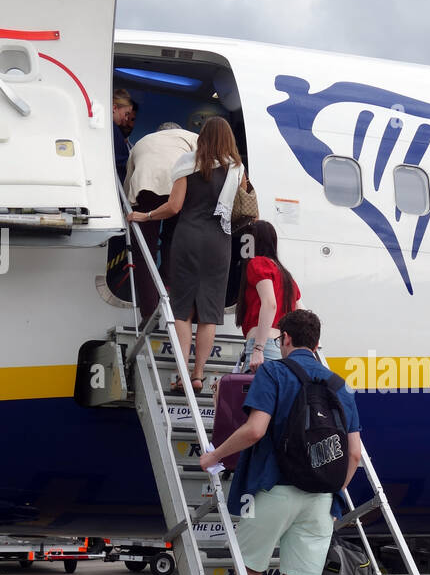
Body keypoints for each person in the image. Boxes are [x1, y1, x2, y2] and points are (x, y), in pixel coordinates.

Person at [199, 309, 362, 575]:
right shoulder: (340, 386)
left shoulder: (274, 373)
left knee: (248, 569)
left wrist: (214, 456)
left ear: (285, 338)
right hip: (321, 500)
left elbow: (255, 429)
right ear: (317, 343)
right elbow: (354, 454)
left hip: (273, 490)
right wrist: (332, 488)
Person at [128, 115, 244, 393]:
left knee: (183, 310)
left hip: (189, 237)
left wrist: (146, 215)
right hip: (220, 242)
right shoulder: (236, 169)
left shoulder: (187, 162)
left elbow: (174, 207)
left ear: (202, 136)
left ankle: (181, 372)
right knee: (209, 313)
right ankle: (198, 375)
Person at [124, 122, 199, 321]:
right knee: (173, 242)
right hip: (179, 187)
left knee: (144, 253)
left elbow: (128, 179)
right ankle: (168, 288)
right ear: (177, 129)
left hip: (145, 189)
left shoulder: (141, 142)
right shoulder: (190, 136)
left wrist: (131, 210)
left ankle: (149, 312)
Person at [233, 220, 301, 372]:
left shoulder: (258, 263)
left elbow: (270, 303)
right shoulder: (286, 275)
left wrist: (258, 349)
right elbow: (301, 313)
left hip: (264, 346)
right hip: (282, 348)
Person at [112, 88, 134, 183]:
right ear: (114, 108)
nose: (126, 119)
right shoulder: (113, 129)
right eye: (126, 114)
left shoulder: (112, 129)